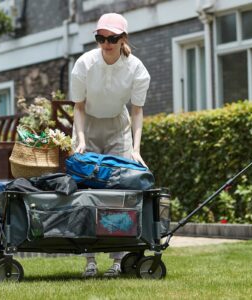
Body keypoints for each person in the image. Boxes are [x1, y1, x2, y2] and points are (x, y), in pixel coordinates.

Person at [70, 12, 151, 278]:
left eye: (112, 38)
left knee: (119, 191)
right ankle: (89, 261)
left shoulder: (137, 69)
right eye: (101, 37)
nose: (106, 43)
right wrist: (81, 140)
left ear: (122, 39)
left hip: (118, 125)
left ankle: (117, 260)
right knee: (84, 189)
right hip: (88, 124)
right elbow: (79, 106)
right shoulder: (84, 64)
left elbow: (137, 111)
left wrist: (136, 150)